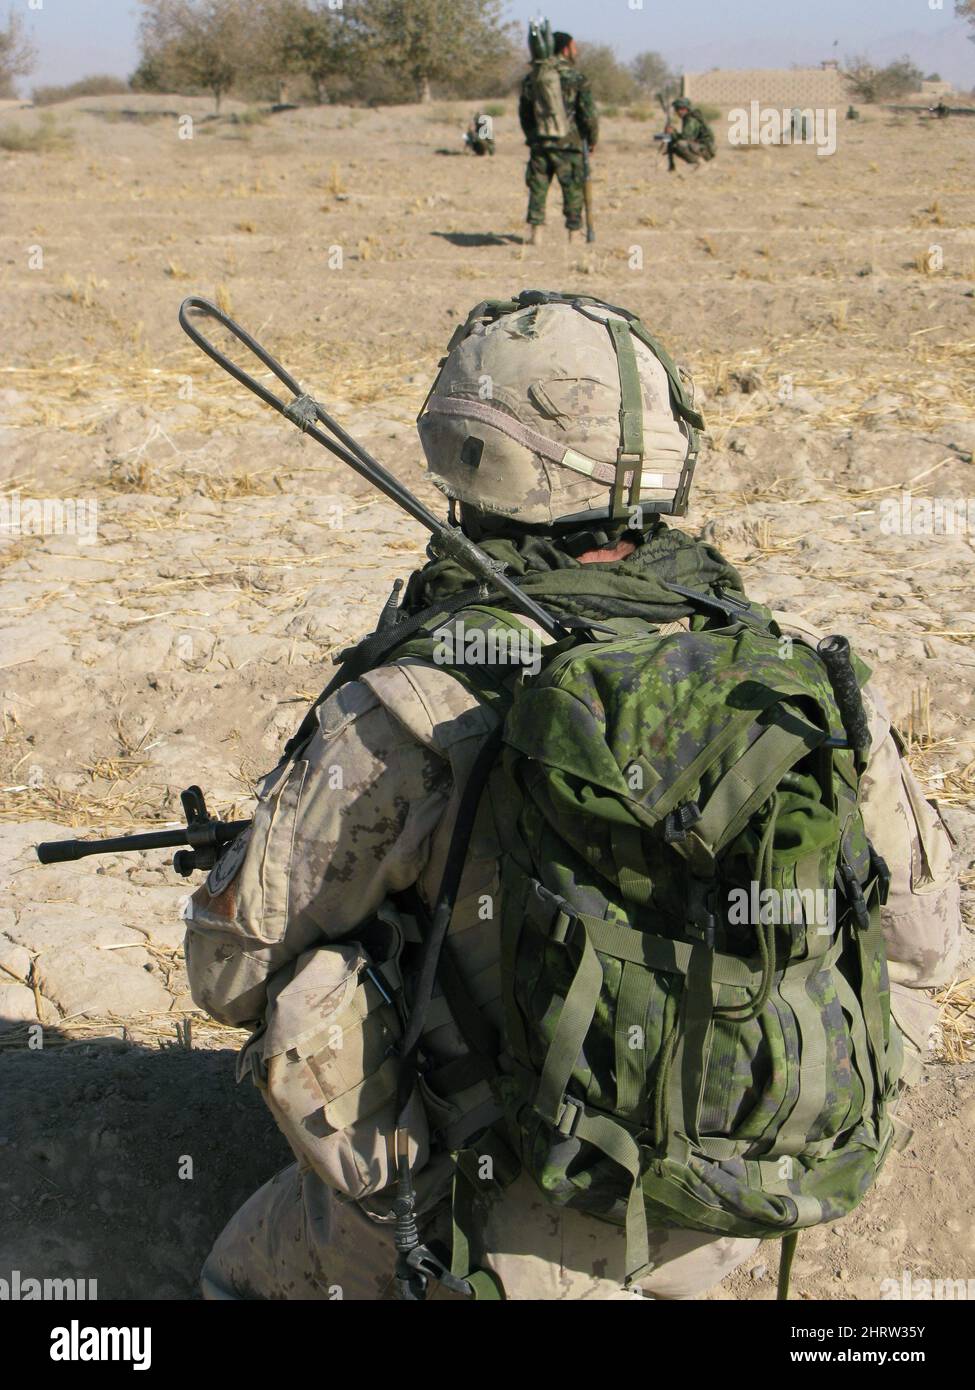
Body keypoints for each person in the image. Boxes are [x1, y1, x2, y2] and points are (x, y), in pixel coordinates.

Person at [185, 291, 961, 1302]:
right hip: (746, 1206)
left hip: (490, 1233)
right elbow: (934, 945)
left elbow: (226, 974)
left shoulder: (416, 701)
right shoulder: (799, 677)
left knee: (237, 1267)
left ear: (470, 458)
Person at [519, 31, 598, 245]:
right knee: (572, 188)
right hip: (569, 143)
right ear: (565, 49)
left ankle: (536, 234)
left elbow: (525, 113)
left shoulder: (532, 78)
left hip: (540, 142)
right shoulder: (576, 78)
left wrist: (532, 137)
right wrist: (591, 139)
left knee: (538, 187)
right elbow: (589, 114)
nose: (576, 51)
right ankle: (574, 235)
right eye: (574, 47)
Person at [666, 96, 716, 171]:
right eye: (677, 109)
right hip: (702, 147)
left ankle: (702, 164)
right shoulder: (688, 118)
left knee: (680, 144)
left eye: (679, 109)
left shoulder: (691, 120)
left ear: (685, 109)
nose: (677, 112)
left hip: (705, 149)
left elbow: (686, 138)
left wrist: (673, 133)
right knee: (674, 145)